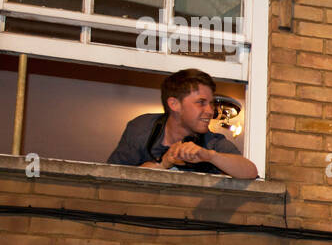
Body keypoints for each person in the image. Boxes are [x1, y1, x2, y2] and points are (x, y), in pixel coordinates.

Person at [107, 69, 258, 178]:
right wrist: (162, 164)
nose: (210, 111)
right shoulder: (142, 128)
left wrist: (210, 156)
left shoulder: (212, 142)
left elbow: (250, 171)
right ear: (174, 104)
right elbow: (111, 177)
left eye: (211, 104)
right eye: (201, 102)